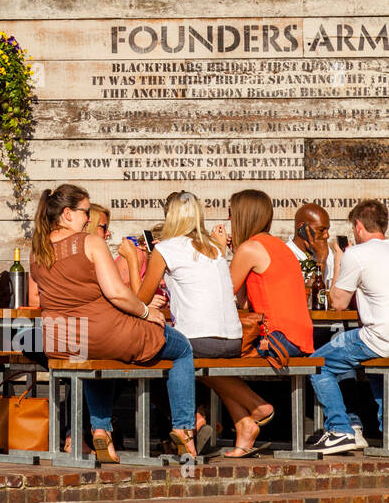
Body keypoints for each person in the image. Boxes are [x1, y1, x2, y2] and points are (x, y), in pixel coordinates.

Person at [29, 184, 197, 464]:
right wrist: (145, 312)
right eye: (85, 212)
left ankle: (102, 432)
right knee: (181, 348)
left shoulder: (37, 250)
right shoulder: (89, 242)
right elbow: (117, 293)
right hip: (103, 331)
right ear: (68, 214)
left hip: (62, 340)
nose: (88, 219)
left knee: (96, 356)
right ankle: (183, 428)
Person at [139, 192, 274, 458]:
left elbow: (141, 299)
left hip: (200, 339)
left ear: (171, 217)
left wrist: (135, 261)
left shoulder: (165, 249)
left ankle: (251, 406)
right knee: (204, 364)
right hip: (233, 339)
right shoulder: (214, 248)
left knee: (168, 357)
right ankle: (243, 421)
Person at [306, 199, 388, 455]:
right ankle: (369, 428)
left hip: (378, 336)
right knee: (367, 363)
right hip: (380, 341)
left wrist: (341, 260)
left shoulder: (357, 253)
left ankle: (341, 429)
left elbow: (338, 303)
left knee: (318, 362)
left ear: (358, 226)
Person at [225, 189, 314, 361]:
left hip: (277, 337)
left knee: (206, 356)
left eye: (231, 213)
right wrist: (237, 254)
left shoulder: (250, 249)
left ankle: (247, 391)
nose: (229, 219)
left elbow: (221, 295)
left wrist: (219, 252)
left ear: (244, 215)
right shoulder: (278, 246)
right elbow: (244, 303)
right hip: (297, 337)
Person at [285, 203, 340, 292]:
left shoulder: (326, 250)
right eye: (321, 230)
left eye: (327, 229)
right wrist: (321, 261)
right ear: (302, 228)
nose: (327, 235)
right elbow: (305, 298)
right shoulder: (286, 254)